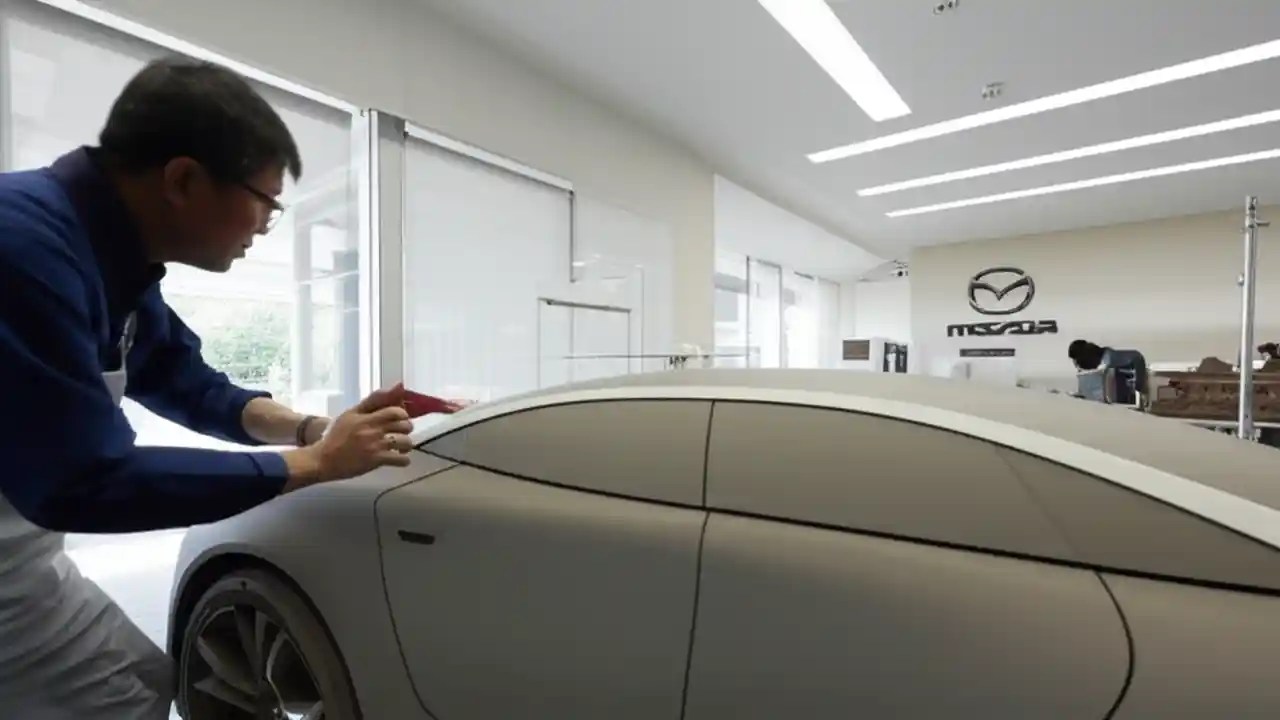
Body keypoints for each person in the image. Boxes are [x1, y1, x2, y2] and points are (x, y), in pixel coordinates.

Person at [0, 58, 417, 719]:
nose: (263, 225)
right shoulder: (22, 246)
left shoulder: (112, 256)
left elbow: (183, 379)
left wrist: (310, 429)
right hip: (22, 539)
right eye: (266, 202)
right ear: (184, 179)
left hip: (19, 552)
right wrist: (312, 465)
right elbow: (80, 481)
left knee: (137, 682)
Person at [1067, 339, 1148, 405]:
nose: (1076, 365)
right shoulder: (1102, 362)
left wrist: (1138, 388)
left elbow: (1137, 358)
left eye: (1076, 361)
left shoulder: (1107, 363)